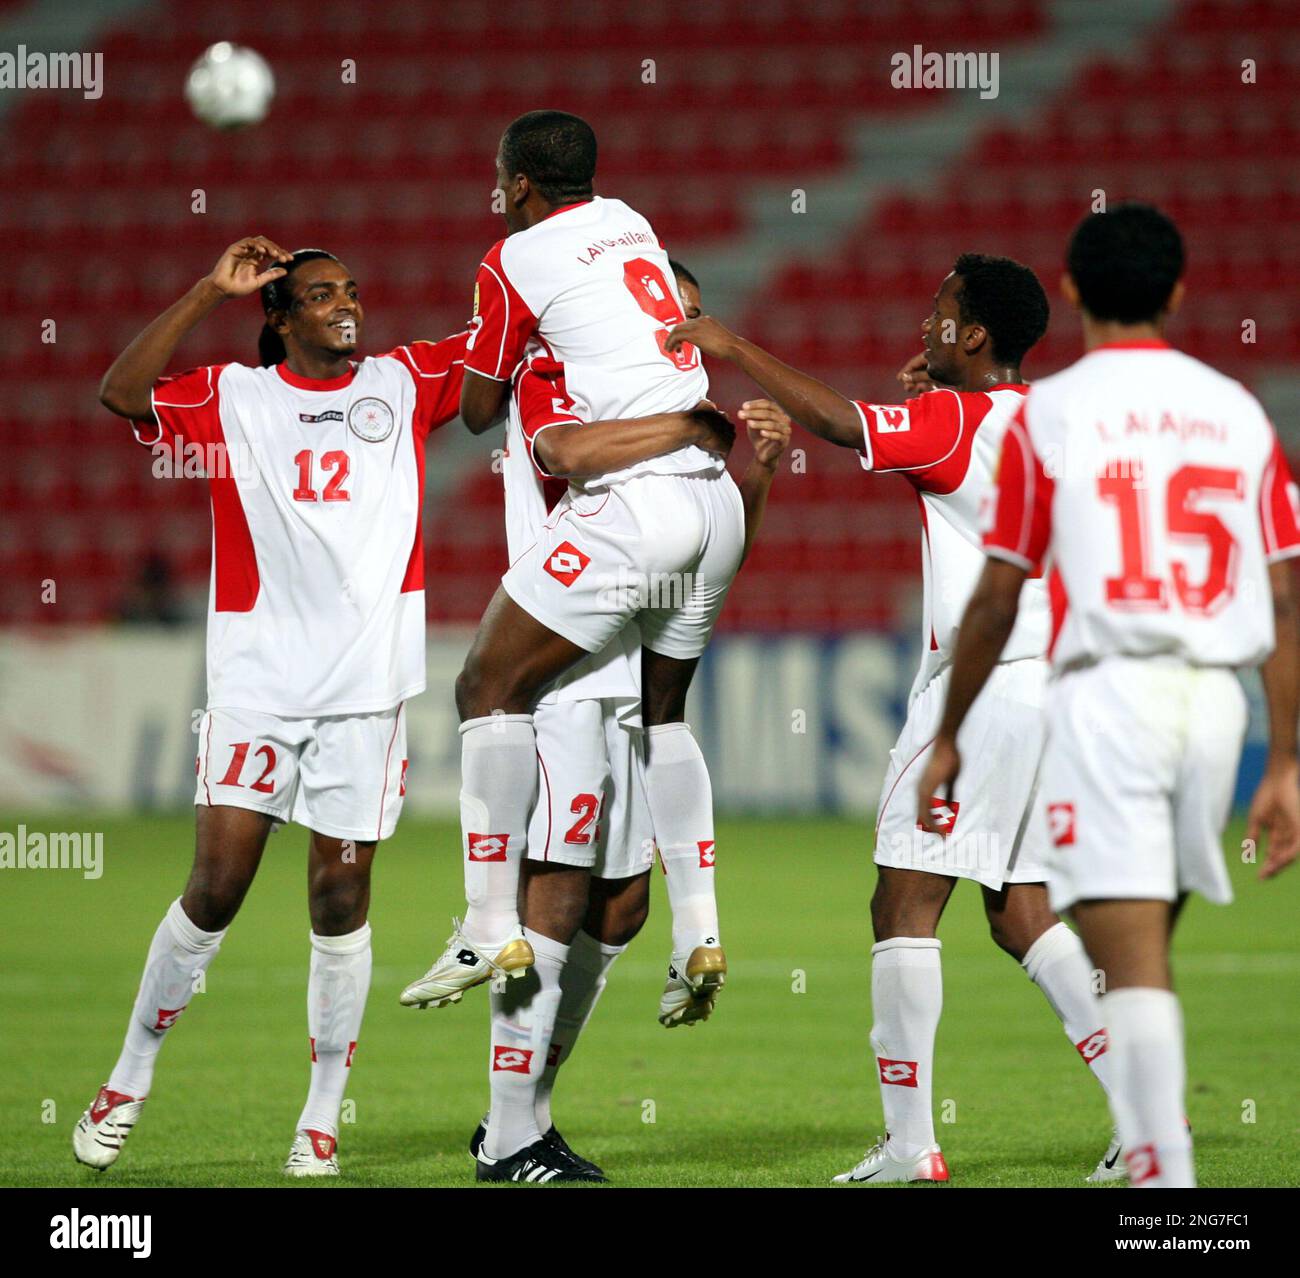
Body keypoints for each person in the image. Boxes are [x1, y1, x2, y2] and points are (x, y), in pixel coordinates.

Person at [666, 254, 1122, 1184]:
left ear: (975, 335)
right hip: (1061, 684)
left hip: (985, 686)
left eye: (939, 312)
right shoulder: (1047, 416)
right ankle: (1146, 1120)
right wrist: (932, 397)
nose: (924, 325)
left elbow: (837, 423)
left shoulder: (954, 418)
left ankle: (912, 1144)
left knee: (903, 905)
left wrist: (730, 344)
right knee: (1022, 911)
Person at [916, 203, 1300, 1188]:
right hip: (1214, 708)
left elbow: (1001, 588)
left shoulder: (1052, 412)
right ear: (1176, 292)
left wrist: (949, 731)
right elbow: (1285, 596)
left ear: (1076, 291)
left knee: (1129, 966)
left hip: (1108, 698)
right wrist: (1288, 759)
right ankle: (1151, 1171)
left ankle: (1162, 1187)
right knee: (1141, 951)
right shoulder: (1236, 411)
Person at [77, 238, 469, 1177]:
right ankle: (129, 1076)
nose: (348, 307)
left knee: (340, 900)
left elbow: (500, 340)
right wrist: (205, 286)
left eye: (354, 291)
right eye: (323, 295)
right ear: (279, 317)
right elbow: (122, 394)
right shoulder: (232, 399)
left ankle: (321, 1116)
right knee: (216, 889)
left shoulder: (404, 382)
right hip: (257, 688)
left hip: (365, 700)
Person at [404, 254, 792, 1181]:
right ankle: (510, 1135)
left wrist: (756, 475)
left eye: (694, 317)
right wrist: (692, 428)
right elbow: (564, 456)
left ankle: (527, 1116)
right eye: (672, 313)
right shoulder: (556, 374)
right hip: (563, 674)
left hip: (626, 682)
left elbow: (697, 553)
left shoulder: (659, 412)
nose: (681, 334)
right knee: (553, 899)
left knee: (618, 912)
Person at [409, 114, 749, 1071]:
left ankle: (482, 923)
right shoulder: (631, 223)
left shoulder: (518, 263)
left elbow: (491, 416)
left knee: (487, 692)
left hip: (623, 531)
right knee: (665, 725)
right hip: (709, 510)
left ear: (518, 185)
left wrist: (493, 345)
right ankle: (700, 932)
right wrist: (693, 424)